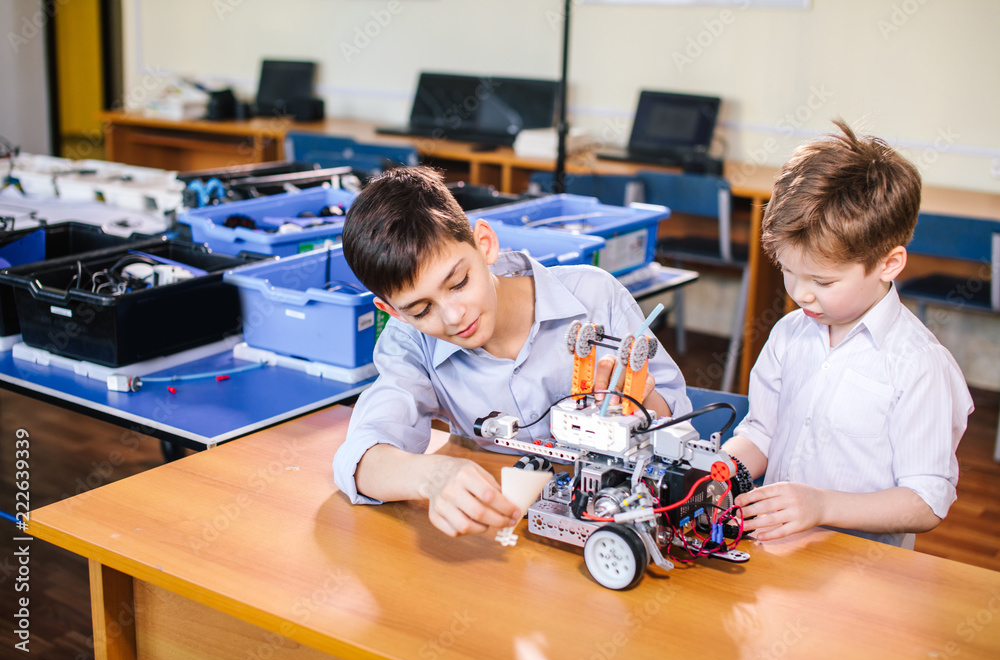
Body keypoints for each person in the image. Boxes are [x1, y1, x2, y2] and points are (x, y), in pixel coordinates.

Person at [332, 167, 691, 537]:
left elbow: (679, 423)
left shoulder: (594, 297)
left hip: (615, 515)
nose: (454, 316)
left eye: (458, 283)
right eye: (421, 310)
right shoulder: (409, 343)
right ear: (392, 312)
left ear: (484, 244)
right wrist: (432, 476)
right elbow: (359, 457)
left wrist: (635, 406)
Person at [723, 120, 974, 547]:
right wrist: (713, 468)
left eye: (823, 282)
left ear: (888, 264)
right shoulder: (789, 335)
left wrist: (821, 506)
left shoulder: (918, 365)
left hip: (863, 573)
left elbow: (926, 500)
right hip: (778, 552)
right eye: (788, 271)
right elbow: (762, 432)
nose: (801, 294)